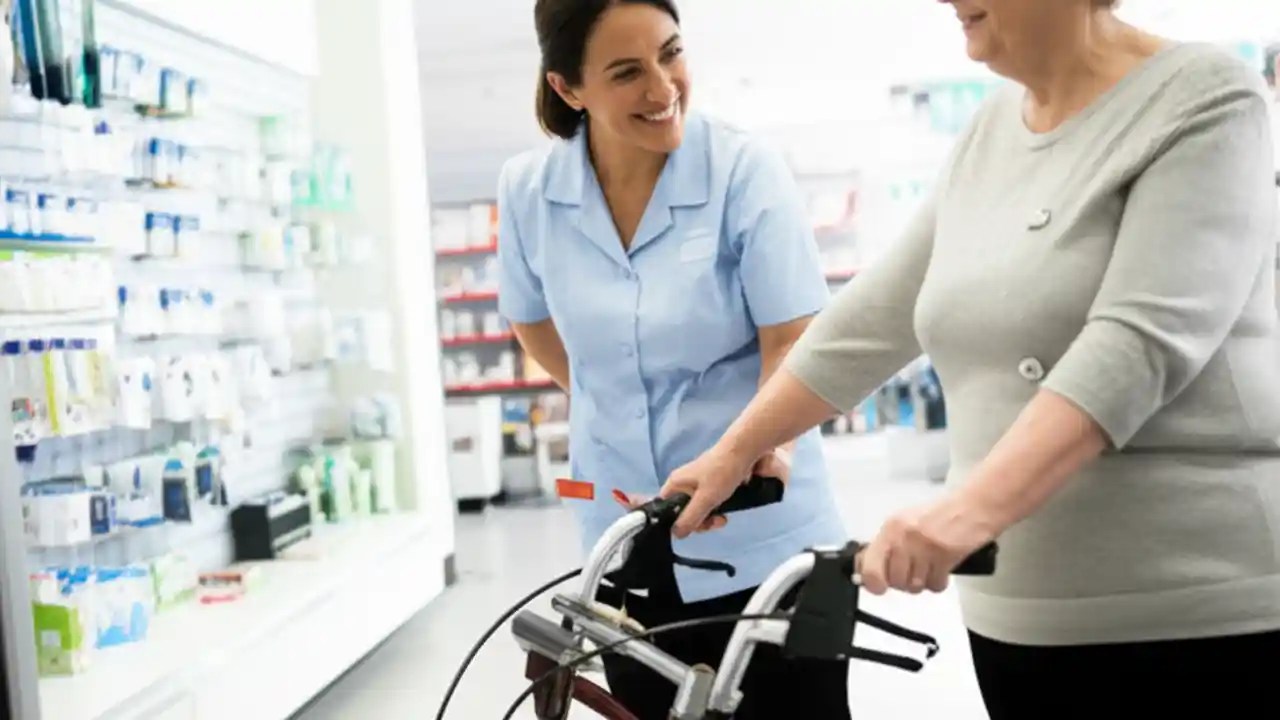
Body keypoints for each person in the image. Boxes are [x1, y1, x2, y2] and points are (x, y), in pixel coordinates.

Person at [662, 0, 1280, 716]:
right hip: (1016, 612)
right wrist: (737, 449)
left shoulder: (1206, 97)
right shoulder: (993, 129)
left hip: (1189, 614)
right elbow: (877, 314)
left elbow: (1140, 341)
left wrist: (969, 510)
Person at [496, 1, 851, 717]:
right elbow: (528, 318)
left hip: (768, 533)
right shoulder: (530, 192)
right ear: (569, 88)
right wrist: (604, 401)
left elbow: (794, 339)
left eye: (671, 53)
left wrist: (762, 443)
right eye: (628, 72)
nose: (663, 89)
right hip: (628, 539)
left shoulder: (744, 170)